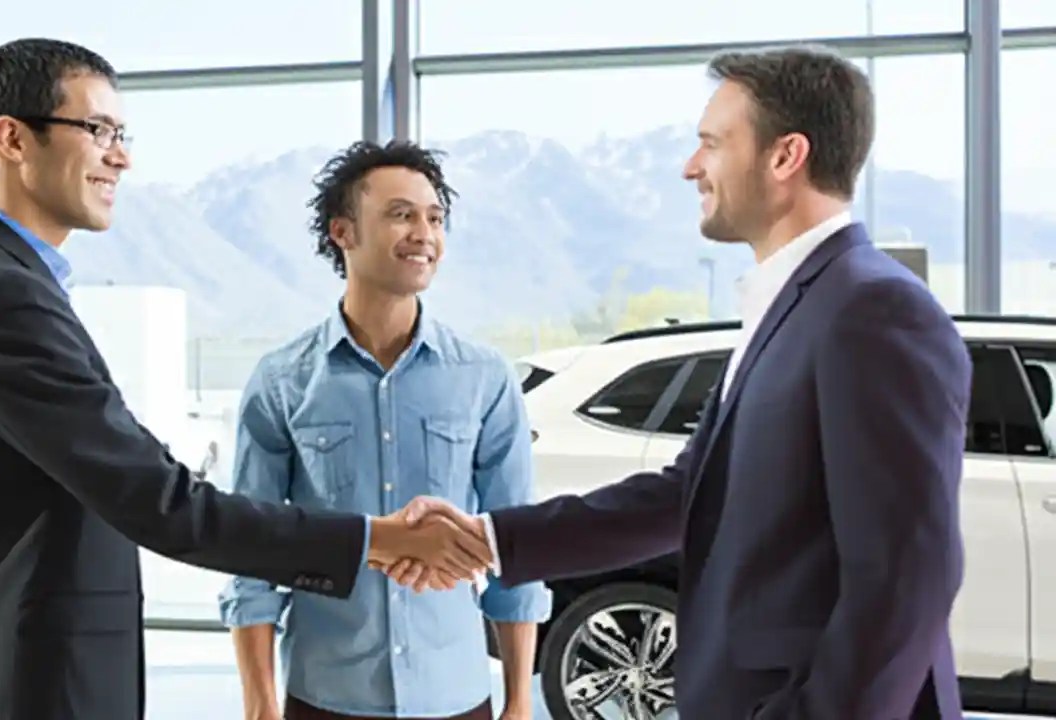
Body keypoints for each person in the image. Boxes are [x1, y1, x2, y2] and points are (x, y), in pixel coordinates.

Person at [0, 39, 489, 720]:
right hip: (25, 687)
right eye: (97, 130)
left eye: (121, 134)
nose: (120, 155)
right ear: (12, 139)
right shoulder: (1, 300)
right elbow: (159, 499)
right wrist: (376, 540)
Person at [399, 45, 972, 719]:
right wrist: (487, 541)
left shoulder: (874, 311)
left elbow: (907, 578)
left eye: (710, 144)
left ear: (785, 156)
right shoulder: (796, 305)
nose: (689, 166)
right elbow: (684, 495)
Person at [219, 140, 551, 720]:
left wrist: (520, 700)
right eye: (401, 215)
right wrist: (259, 703)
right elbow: (254, 555)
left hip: (455, 695)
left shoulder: (485, 376)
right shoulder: (281, 381)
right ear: (342, 232)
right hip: (325, 695)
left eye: (435, 217)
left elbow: (514, 547)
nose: (424, 233)